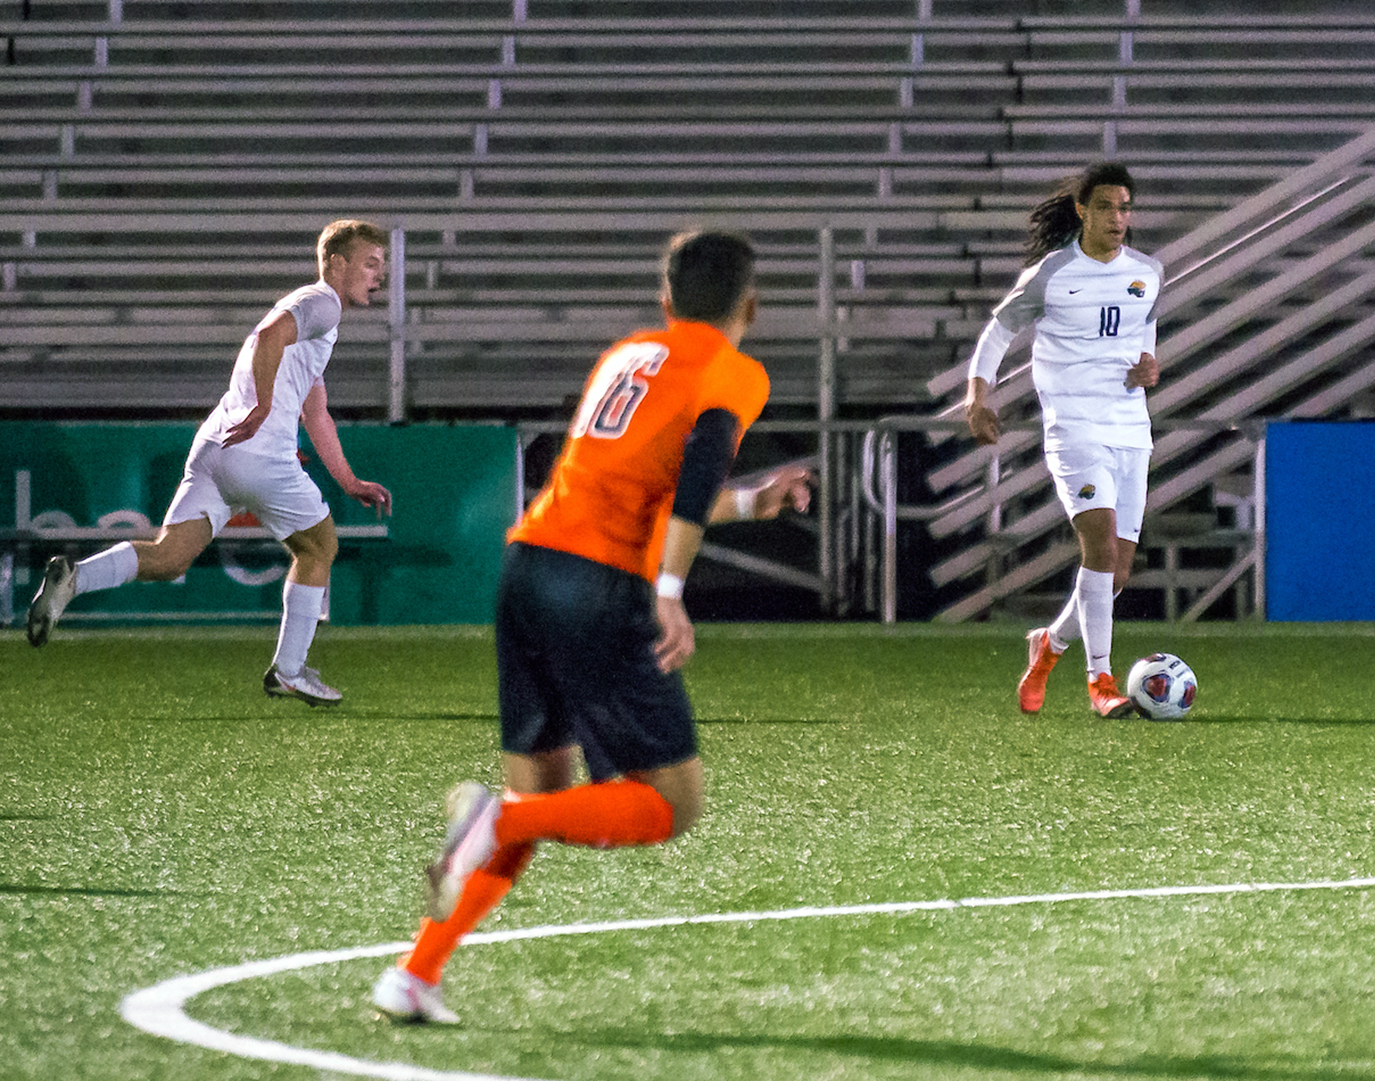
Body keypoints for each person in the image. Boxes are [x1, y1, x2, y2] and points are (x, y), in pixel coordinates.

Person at [371, 230, 812, 1025]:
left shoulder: (631, 353)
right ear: (752, 305)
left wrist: (753, 502)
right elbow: (696, 476)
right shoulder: (735, 371)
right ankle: (495, 820)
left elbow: (653, 483)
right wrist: (671, 590)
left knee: (539, 791)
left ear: (666, 299)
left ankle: (414, 973)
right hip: (599, 585)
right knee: (669, 803)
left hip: (529, 568)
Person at [24, 219, 394, 706]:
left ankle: (75, 579)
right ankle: (289, 670)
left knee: (169, 556)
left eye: (382, 265)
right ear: (336, 263)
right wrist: (263, 408)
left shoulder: (318, 321)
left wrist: (347, 480)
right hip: (260, 452)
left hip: (215, 449)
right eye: (370, 263)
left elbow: (315, 410)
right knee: (319, 547)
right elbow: (268, 337)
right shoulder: (320, 302)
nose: (379, 275)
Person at [962, 161, 1162, 719]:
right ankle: (1101, 681)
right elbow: (998, 331)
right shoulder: (1053, 273)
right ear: (1081, 210)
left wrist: (1150, 368)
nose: (1118, 218)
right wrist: (978, 395)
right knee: (1097, 551)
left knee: (1116, 573)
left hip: (1130, 428)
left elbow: (1144, 338)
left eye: (1125, 207)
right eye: (1105, 206)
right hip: (1074, 428)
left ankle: (1048, 646)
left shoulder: (1148, 271)